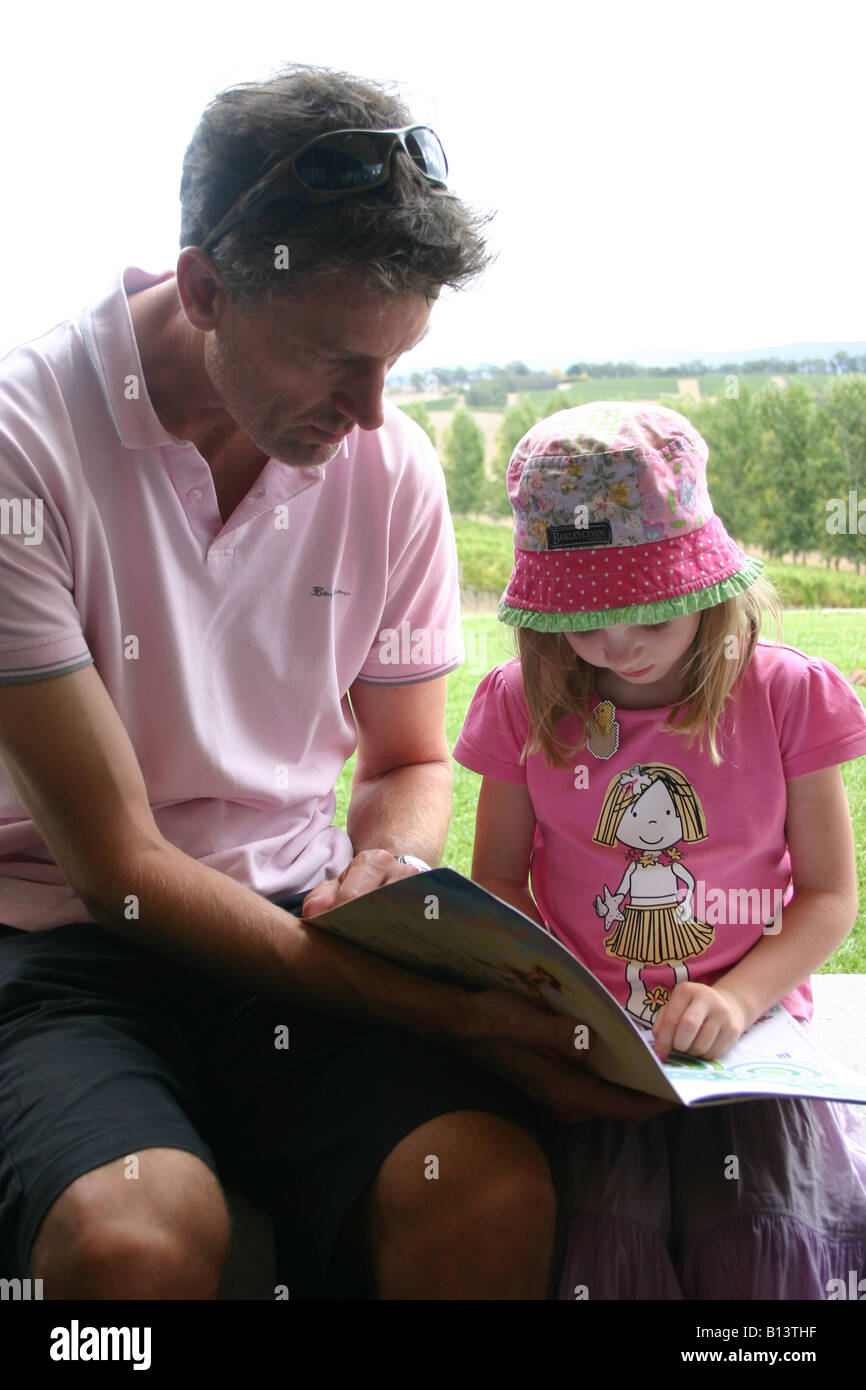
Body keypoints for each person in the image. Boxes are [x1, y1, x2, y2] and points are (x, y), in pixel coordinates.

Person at [0, 66, 662, 1303]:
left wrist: (394, 867)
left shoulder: (386, 461)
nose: (370, 416)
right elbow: (118, 871)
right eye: (331, 361)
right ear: (204, 288)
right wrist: (446, 1013)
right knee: (133, 1244)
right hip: (59, 942)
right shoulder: (19, 447)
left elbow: (407, 760)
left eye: (397, 365)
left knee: (486, 1193)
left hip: (299, 912)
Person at [453, 400, 866, 1298]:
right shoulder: (523, 702)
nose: (617, 644)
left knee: (759, 1240)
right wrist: (568, 997)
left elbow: (831, 896)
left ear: (704, 583)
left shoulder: (784, 694)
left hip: (747, 1032)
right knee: (606, 1235)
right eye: (587, 617)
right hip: (593, 1036)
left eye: (646, 609)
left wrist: (739, 996)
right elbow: (496, 881)